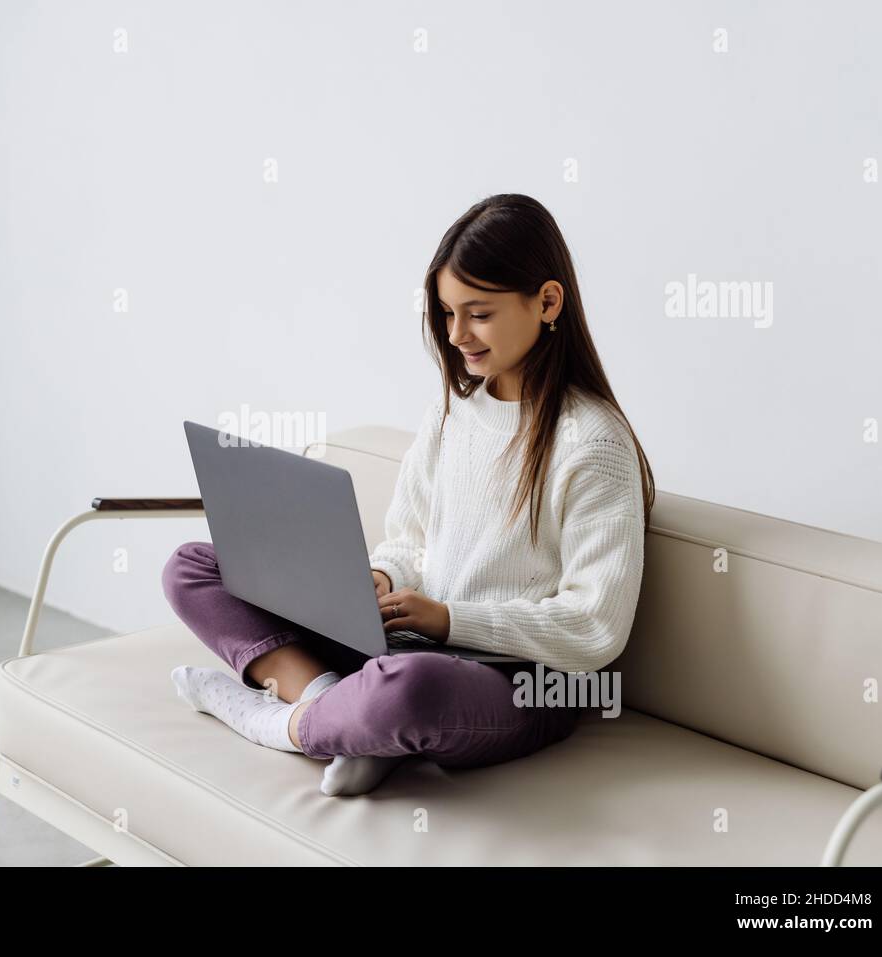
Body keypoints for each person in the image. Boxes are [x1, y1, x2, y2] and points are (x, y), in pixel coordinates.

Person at [162, 193, 655, 796]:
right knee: (194, 567)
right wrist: (381, 578)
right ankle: (334, 706)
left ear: (547, 301)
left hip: (523, 683)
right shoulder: (454, 411)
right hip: (409, 643)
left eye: (478, 314)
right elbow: (410, 540)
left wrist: (450, 620)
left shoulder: (593, 443)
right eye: (447, 314)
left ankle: (274, 719)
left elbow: (595, 627)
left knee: (413, 688)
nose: (457, 337)